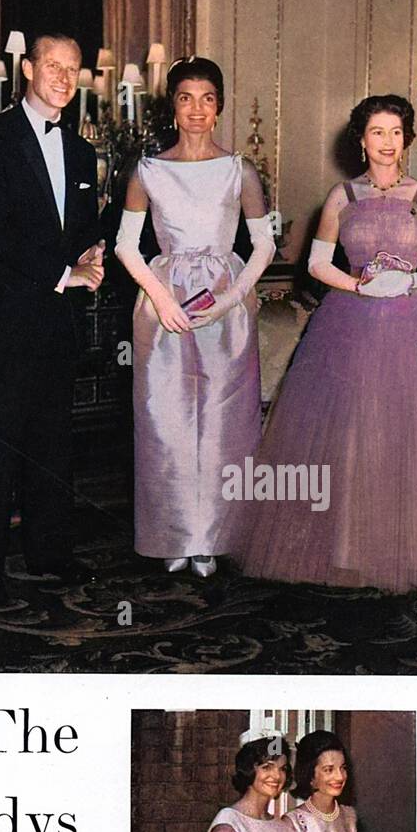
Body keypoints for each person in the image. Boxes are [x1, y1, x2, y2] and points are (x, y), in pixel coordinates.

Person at [227, 94, 417, 593]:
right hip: (349, 325)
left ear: (406, 138)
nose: (387, 143)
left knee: (413, 434)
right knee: (352, 431)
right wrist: (361, 285)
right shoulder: (342, 196)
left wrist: (404, 282)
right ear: (360, 141)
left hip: (415, 327)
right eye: (376, 133)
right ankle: (347, 549)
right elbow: (319, 264)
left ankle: (414, 548)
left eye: (395, 132)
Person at [0, 32, 105, 608]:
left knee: (51, 443)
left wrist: (92, 258)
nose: (64, 78)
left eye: (73, 68)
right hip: (0, 324)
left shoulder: (83, 152)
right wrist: (60, 272)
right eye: (53, 66)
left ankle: (50, 553)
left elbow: (84, 229)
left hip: (56, 322)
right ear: (27, 69)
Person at [114, 56, 275, 578]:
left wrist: (229, 300)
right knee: (167, 422)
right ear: (173, 106)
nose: (197, 110)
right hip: (164, 307)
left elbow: (265, 246)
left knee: (224, 423)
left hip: (225, 306)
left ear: (220, 105)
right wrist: (161, 299)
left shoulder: (239, 170)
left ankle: (215, 537)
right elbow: (124, 246)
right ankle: (176, 535)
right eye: (186, 98)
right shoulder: (148, 170)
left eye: (208, 98)